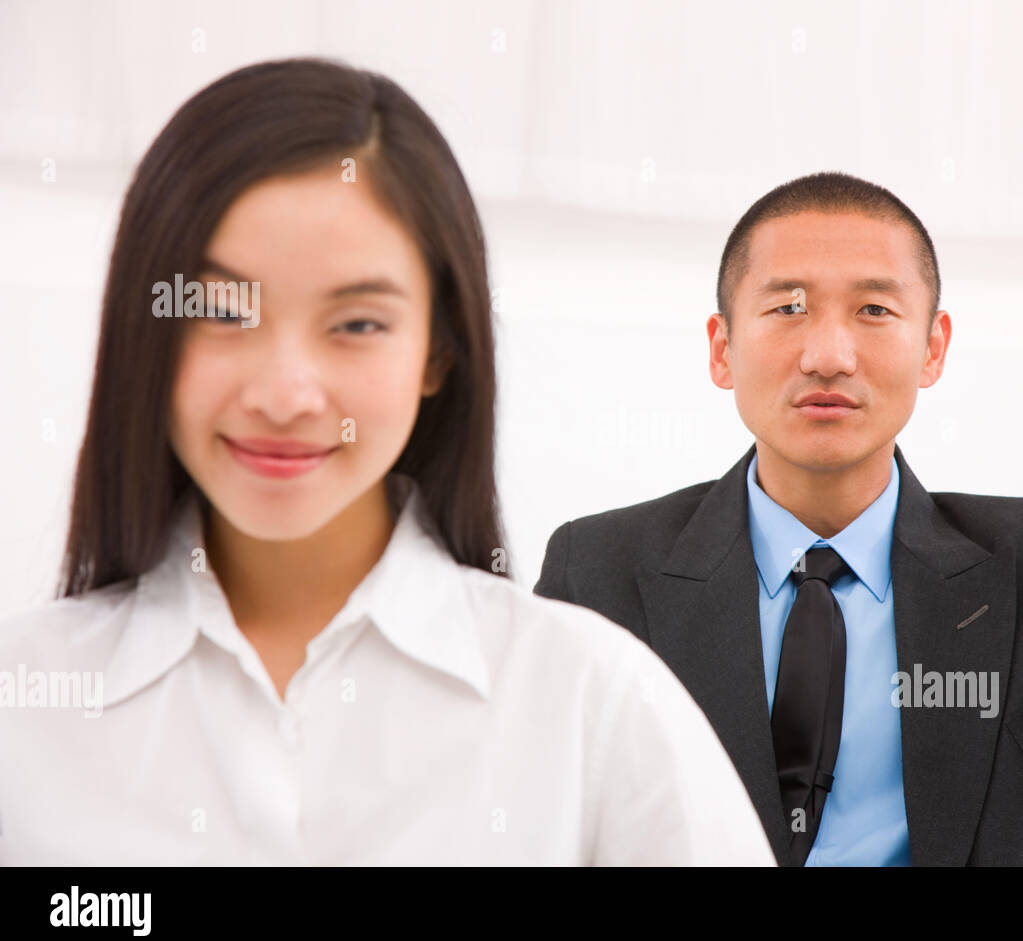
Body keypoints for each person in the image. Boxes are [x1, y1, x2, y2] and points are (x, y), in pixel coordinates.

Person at [0, 58, 774, 866]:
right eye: (223, 311)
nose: (286, 393)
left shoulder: (595, 701)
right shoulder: (21, 706)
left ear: (438, 350)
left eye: (358, 324)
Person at [535, 124, 1023, 866]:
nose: (829, 355)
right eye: (787, 307)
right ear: (721, 348)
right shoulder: (600, 571)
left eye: (874, 310)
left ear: (932, 348)